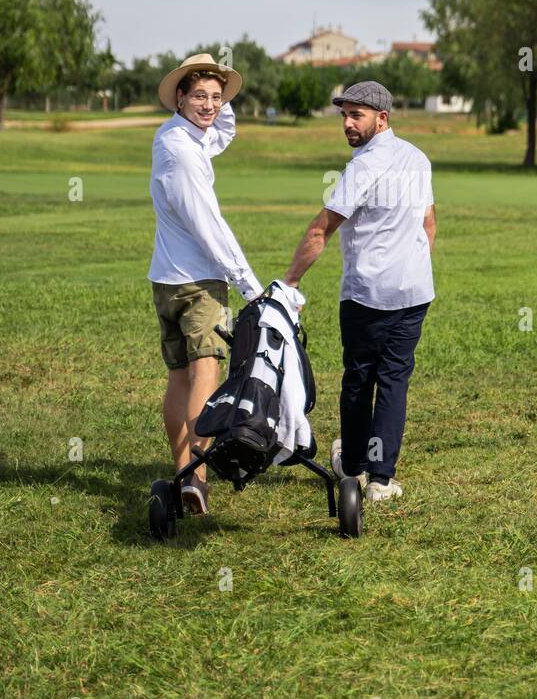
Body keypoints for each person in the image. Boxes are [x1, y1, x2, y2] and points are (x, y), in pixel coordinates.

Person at [283, 81, 436, 503]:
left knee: (358, 381)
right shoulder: (418, 158)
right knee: (393, 381)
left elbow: (322, 228)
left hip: (367, 295)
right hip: (415, 291)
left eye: (357, 115)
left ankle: (352, 467)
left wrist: (290, 281)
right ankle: (382, 481)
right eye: (344, 115)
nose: (347, 123)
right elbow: (429, 224)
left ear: (381, 118)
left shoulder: (363, 167)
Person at [148, 53, 263, 515]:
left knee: (179, 377)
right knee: (206, 373)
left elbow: (224, 129)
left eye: (217, 97)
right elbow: (209, 228)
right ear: (178, 98)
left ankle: (183, 473)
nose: (211, 105)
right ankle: (196, 476)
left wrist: (217, 78)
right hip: (198, 284)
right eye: (199, 96)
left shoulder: (178, 136)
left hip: (166, 281)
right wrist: (250, 285)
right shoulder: (184, 153)